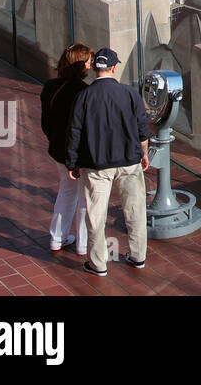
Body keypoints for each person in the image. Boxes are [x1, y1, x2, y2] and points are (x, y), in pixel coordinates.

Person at [65, 48, 150, 277]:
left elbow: (75, 132)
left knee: (96, 216)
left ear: (95, 69)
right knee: (135, 211)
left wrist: (72, 162)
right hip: (129, 162)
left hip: (96, 164)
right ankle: (137, 256)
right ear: (114, 67)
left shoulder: (84, 96)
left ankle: (98, 264)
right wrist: (144, 154)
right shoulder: (130, 94)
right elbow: (143, 130)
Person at [39, 43, 93, 254]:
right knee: (84, 196)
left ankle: (57, 237)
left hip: (58, 151)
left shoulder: (50, 87)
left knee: (66, 191)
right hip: (79, 154)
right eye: (87, 62)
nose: (89, 66)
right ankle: (82, 243)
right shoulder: (84, 92)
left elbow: (46, 123)